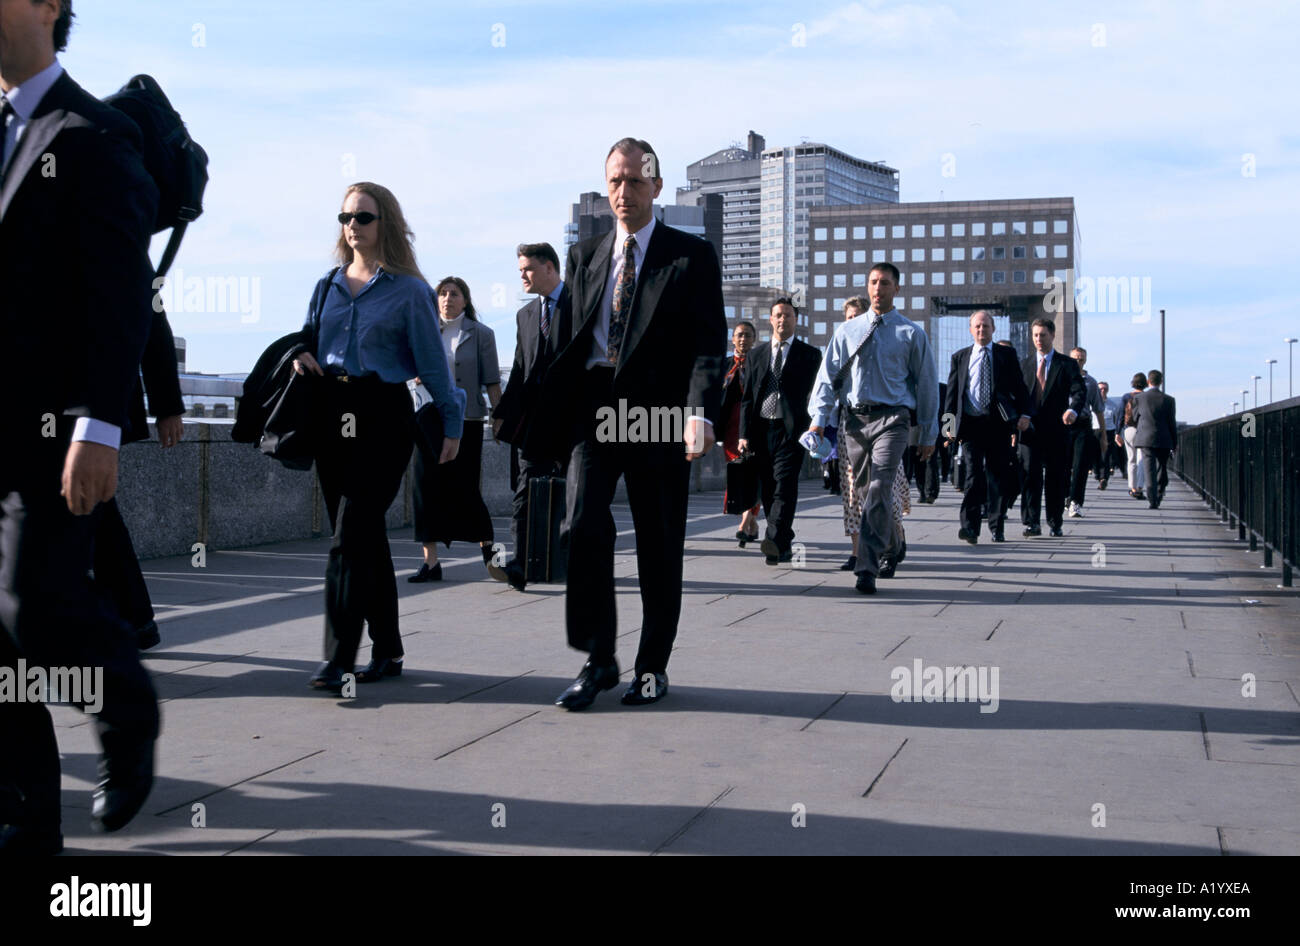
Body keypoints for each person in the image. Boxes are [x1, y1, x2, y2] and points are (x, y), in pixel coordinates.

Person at [0, 0, 162, 852]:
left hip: (52, 430)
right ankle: (26, 818)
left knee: (35, 606)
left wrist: (100, 424)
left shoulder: (93, 132)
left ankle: (127, 711)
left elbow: (122, 291)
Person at [536, 137, 725, 711]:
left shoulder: (689, 255)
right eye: (614, 181)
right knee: (582, 526)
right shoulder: (587, 254)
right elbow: (568, 335)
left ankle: (652, 667)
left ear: (656, 187)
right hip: (595, 410)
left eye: (635, 181)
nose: (623, 192)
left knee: (658, 543)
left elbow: (708, 345)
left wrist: (699, 413)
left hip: (659, 413)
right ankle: (599, 659)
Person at [292, 182, 464, 691]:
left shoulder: (410, 290)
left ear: (384, 222)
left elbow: (434, 367)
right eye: (345, 216)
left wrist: (452, 425)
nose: (352, 225)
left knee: (349, 538)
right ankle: (388, 649)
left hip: (384, 416)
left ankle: (338, 656)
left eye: (363, 217)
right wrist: (301, 356)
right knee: (364, 541)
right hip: (331, 414)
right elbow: (306, 338)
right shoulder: (326, 285)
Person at [808, 263, 938, 595]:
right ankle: (893, 542)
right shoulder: (847, 331)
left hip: (893, 420)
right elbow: (826, 377)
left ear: (897, 289)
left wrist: (928, 433)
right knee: (866, 494)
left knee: (880, 486)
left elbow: (926, 386)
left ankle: (866, 568)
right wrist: (819, 420)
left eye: (885, 283)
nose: (878, 288)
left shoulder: (911, 333)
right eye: (873, 282)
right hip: (854, 422)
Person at [93, 305, 185, 652]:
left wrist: (168, 406)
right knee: (96, 511)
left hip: (89, 404)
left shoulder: (112, 249)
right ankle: (133, 620)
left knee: (95, 507)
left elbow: (150, 313)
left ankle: (132, 620)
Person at [408, 276, 501, 582]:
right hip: (426, 419)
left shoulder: (481, 334)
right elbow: (403, 371)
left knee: (467, 488)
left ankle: (493, 555)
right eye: (443, 293)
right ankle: (430, 563)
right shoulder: (422, 333)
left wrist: (498, 417)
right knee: (425, 488)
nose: (448, 298)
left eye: (455, 293)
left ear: (466, 299)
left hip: (467, 421)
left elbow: (491, 382)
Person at [491, 243, 570, 590]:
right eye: (520, 270)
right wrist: (502, 417)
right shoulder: (525, 316)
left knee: (578, 494)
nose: (522, 276)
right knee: (524, 490)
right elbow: (520, 370)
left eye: (528, 269)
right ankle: (520, 563)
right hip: (534, 423)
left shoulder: (582, 304)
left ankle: (573, 559)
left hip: (574, 419)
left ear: (550, 268)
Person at [738, 298, 822, 565]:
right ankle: (783, 542)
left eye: (787, 315)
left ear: (795, 320)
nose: (782, 320)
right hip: (762, 429)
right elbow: (748, 397)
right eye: (778, 315)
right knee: (768, 487)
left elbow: (817, 395)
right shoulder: (756, 355)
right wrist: (743, 434)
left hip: (792, 430)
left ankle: (773, 538)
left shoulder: (810, 355)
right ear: (770, 319)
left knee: (785, 485)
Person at [943, 310, 1031, 544]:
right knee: (972, 474)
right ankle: (970, 527)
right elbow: (952, 396)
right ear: (971, 330)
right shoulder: (960, 357)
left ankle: (996, 525)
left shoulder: (1006, 355)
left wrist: (1025, 413)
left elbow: (1019, 387)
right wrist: (947, 429)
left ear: (993, 329)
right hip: (971, 425)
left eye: (986, 326)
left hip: (998, 424)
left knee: (997, 476)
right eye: (977, 327)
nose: (982, 330)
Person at [1017, 318, 1086, 537]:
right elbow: (1016, 396)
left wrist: (1073, 410)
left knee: (1056, 477)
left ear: (1053, 335)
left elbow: (1079, 391)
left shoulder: (1066, 364)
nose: (1038, 339)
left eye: (1043, 335)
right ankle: (1032, 522)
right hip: (1030, 430)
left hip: (1057, 428)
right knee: (1030, 476)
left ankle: (1055, 522)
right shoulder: (1024, 364)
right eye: (1035, 335)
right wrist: (1019, 418)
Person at [720, 320, 760, 546]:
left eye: (747, 335)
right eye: (739, 335)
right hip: (730, 428)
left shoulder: (760, 361)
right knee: (737, 473)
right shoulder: (725, 365)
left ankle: (744, 522)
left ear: (754, 339)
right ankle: (752, 523)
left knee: (752, 473)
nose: (743, 339)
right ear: (733, 339)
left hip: (754, 425)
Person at [1066, 346, 1105, 519]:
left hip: (1082, 424)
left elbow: (1098, 409)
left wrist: (1103, 434)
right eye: (1075, 358)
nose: (1078, 362)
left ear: (1085, 360)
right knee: (1063, 464)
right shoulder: (1062, 376)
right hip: (1063, 425)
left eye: (1081, 359)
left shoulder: (1091, 382)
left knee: (1080, 464)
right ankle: (1066, 495)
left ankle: (1076, 501)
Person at [1132, 369, 1177, 509]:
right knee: (1161, 466)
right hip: (1164, 438)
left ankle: (1152, 499)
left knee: (1148, 468)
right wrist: (1174, 443)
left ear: (1148, 382)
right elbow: (1171, 423)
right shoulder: (1169, 400)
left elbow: (1134, 418)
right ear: (1161, 382)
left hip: (1145, 438)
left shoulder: (1139, 398)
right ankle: (1160, 489)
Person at [1119, 372, 1148, 500]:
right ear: (1146, 383)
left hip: (1129, 429)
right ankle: (1141, 486)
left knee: (1131, 459)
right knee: (1141, 458)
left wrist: (1117, 433)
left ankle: (1132, 487)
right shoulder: (1147, 397)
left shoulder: (1126, 397)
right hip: (1144, 429)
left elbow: (1120, 415)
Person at [1094, 380, 1121, 488]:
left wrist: (1117, 434)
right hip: (1095, 429)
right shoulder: (1093, 403)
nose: (1103, 390)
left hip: (1109, 430)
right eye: (1100, 389)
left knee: (1106, 455)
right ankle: (1097, 473)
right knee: (1096, 454)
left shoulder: (1113, 405)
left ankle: (1103, 478)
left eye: (1105, 388)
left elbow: (1117, 420)